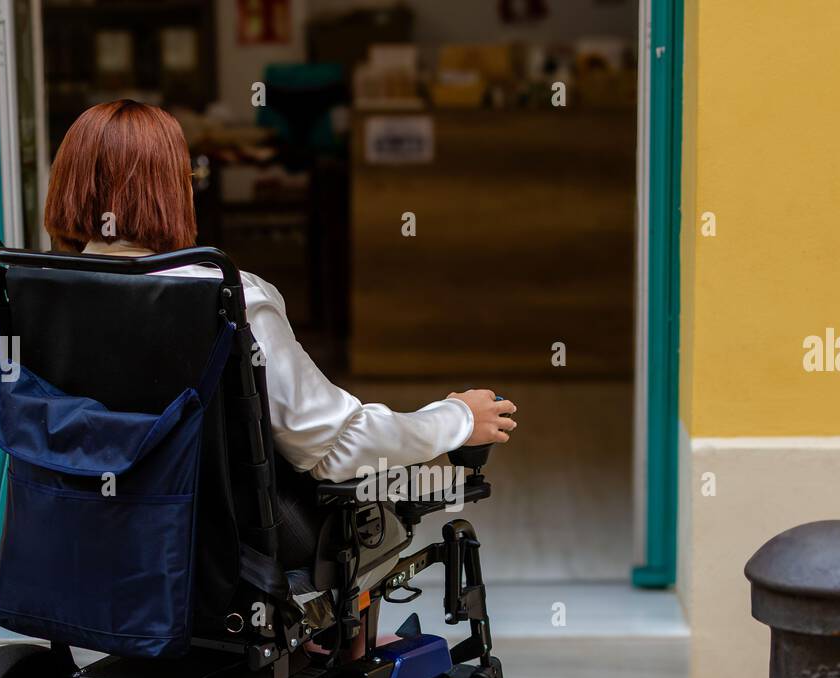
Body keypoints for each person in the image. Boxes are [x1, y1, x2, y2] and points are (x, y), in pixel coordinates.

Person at [42, 99, 516, 484]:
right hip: (209, 563)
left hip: (75, 552)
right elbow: (335, 448)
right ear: (169, 191)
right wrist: (455, 420)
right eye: (188, 177)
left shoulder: (41, 292)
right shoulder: (226, 297)